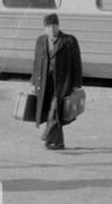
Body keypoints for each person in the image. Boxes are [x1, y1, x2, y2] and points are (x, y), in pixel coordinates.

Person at [31, 13, 83, 150]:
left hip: (62, 84)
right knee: (53, 111)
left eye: (54, 26)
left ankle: (47, 135)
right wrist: (34, 83)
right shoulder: (40, 41)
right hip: (45, 83)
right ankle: (57, 142)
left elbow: (77, 64)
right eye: (48, 27)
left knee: (54, 110)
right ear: (44, 28)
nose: (51, 30)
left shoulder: (69, 41)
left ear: (58, 26)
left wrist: (76, 85)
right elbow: (36, 63)